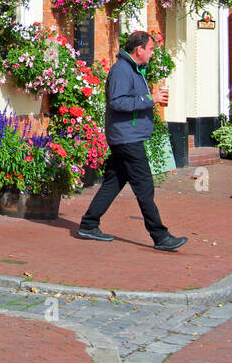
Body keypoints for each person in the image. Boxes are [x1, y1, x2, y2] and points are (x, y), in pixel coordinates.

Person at [78, 31, 187, 250]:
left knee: (114, 182)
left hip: (127, 135)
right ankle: (160, 236)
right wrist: (150, 99)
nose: (152, 54)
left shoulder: (134, 70)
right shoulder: (122, 71)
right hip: (126, 137)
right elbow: (117, 102)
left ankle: (89, 224)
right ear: (139, 50)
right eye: (151, 49)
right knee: (144, 186)